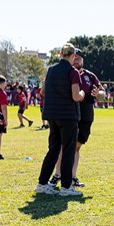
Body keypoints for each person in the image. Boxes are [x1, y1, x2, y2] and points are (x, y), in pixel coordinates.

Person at [35, 44, 85, 196]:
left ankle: (42, 183)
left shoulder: (51, 70)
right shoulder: (73, 72)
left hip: (52, 114)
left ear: (61, 54)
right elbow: (76, 96)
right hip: (68, 115)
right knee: (68, 150)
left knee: (53, 149)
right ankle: (66, 187)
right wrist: (83, 93)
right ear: (73, 55)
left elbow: (42, 91)